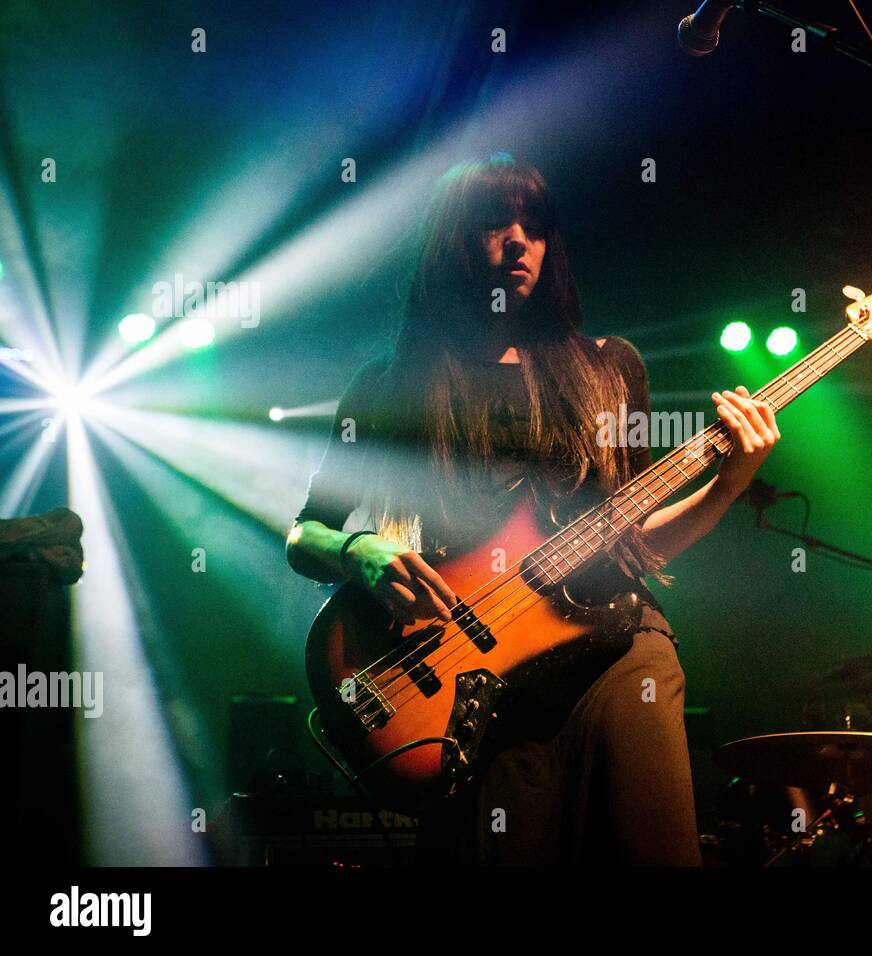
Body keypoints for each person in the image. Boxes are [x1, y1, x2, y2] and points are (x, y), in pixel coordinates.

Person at [285, 153, 780, 865]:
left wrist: (728, 485)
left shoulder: (610, 367)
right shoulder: (391, 385)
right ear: (451, 241)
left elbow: (634, 545)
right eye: (494, 221)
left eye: (536, 225)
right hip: (482, 674)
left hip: (617, 648)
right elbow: (304, 533)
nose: (519, 240)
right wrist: (358, 551)